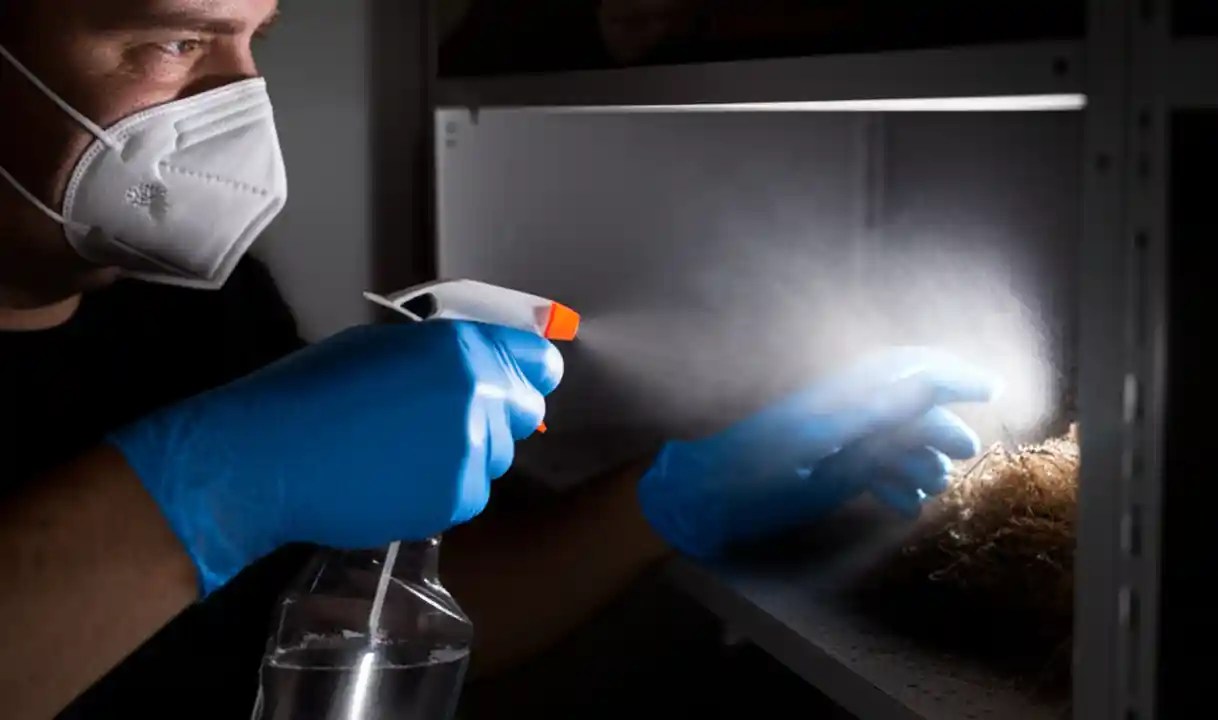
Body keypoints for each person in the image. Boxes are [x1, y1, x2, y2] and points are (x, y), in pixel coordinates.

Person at [0, 1, 999, 718]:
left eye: (254, 40)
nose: (243, 108)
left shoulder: (201, 313)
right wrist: (213, 483)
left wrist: (666, 498)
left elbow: (344, 618)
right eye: (173, 41)